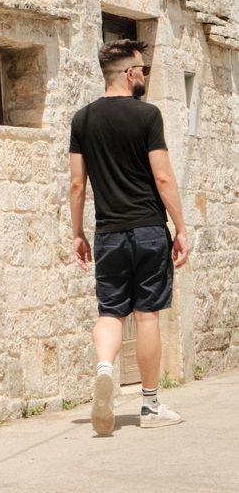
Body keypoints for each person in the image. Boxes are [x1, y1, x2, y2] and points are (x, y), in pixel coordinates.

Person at [69, 38, 189, 435]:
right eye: (143, 69)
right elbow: (163, 175)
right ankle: (151, 406)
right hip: (149, 230)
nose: (145, 76)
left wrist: (77, 233)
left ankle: (106, 368)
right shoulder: (148, 116)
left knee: (110, 312)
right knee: (147, 314)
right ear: (128, 73)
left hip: (109, 233)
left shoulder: (82, 119)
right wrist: (181, 226)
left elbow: (76, 184)